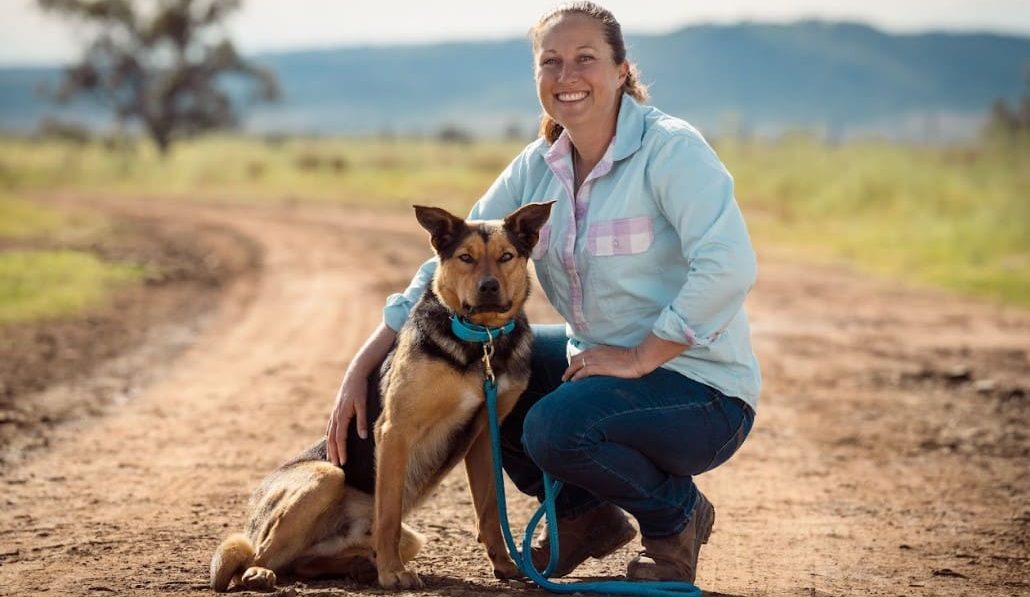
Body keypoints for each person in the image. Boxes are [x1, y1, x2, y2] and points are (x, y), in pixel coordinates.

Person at [325, 1, 759, 585]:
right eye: (550, 62)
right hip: (602, 369)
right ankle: (586, 519)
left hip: (701, 390)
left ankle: (675, 517)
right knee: (493, 368)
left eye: (585, 59)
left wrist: (639, 357)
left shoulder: (671, 151)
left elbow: (728, 266)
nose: (566, 76)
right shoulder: (538, 166)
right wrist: (364, 367)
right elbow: (448, 268)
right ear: (536, 76)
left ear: (621, 69)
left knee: (555, 427)